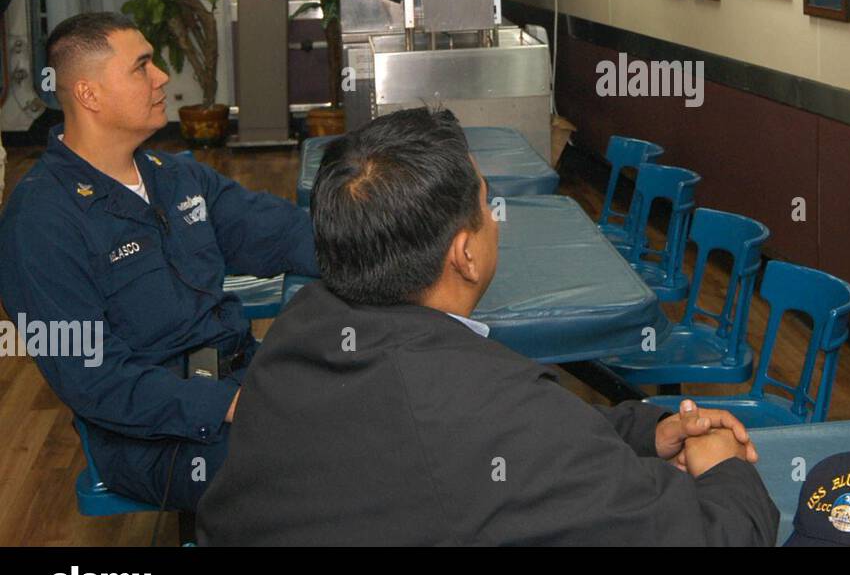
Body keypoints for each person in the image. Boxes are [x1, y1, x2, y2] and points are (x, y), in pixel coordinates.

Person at [198, 107, 780, 546]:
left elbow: (523, 444)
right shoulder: (484, 406)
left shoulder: (301, 324)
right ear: (465, 255)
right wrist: (726, 467)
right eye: (486, 203)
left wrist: (645, 431)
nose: (496, 220)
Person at [0, 12, 317, 513]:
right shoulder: (41, 223)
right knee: (324, 470)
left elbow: (277, 231)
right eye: (141, 66)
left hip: (241, 376)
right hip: (153, 437)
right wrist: (228, 406)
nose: (162, 77)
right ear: (89, 94)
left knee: (380, 411)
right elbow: (94, 378)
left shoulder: (173, 176)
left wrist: (383, 248)